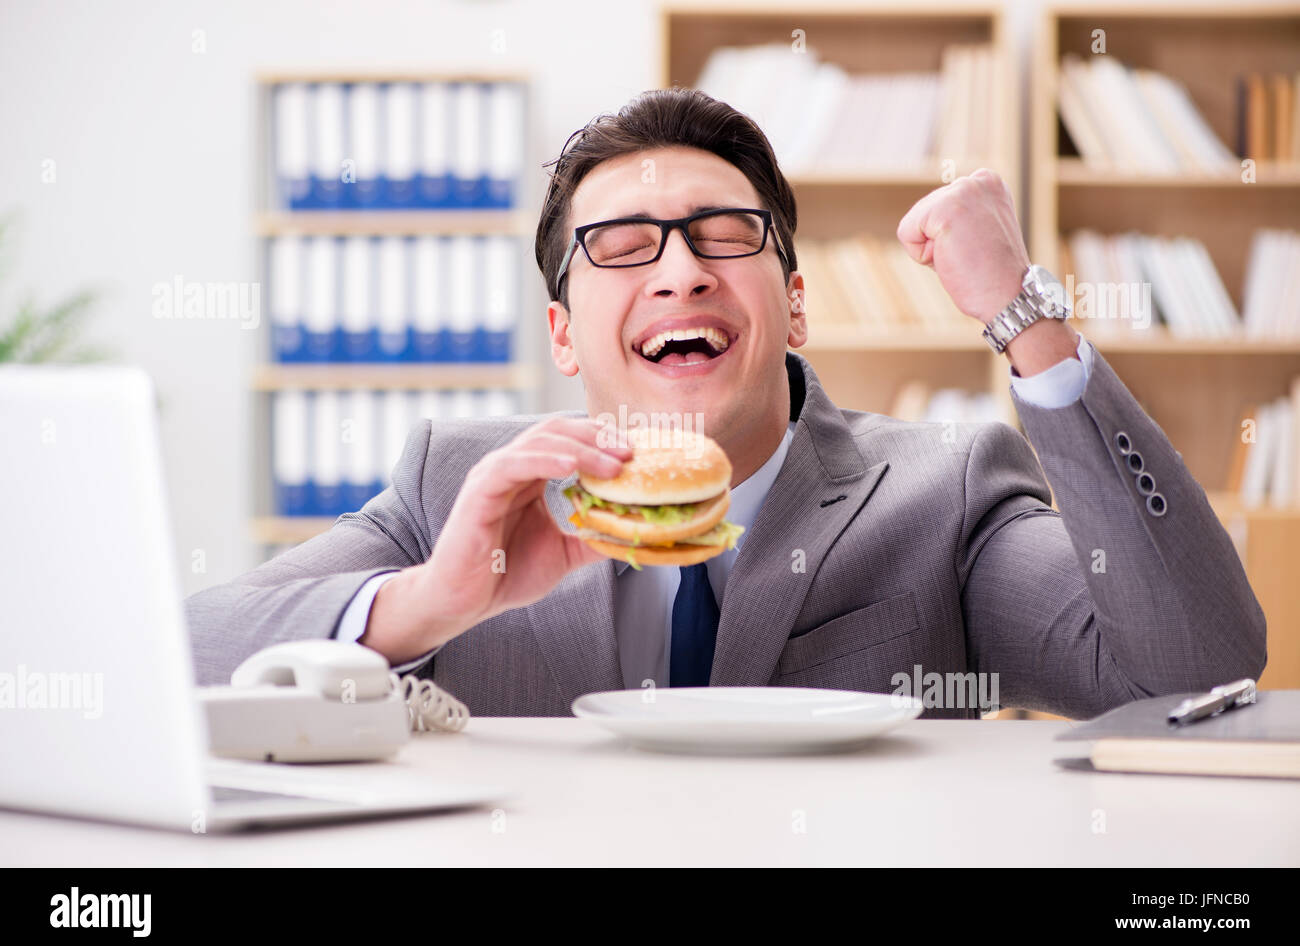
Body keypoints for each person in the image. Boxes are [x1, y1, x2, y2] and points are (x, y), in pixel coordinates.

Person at [185, 88, 1265, 719]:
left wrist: (1023, 315)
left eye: (724, 234)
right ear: (562, 333)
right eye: (620, 246)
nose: (678, 273)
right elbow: (184, 651)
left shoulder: (946, 489)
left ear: (794, 307)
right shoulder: (456, 484)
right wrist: (430, 601)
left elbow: (1195, 671)